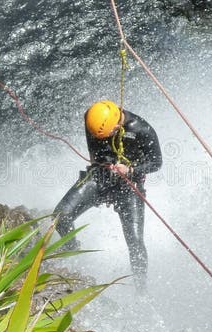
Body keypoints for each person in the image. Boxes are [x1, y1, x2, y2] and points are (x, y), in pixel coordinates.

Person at [54, 100, 162, 287]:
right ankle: (71, 253)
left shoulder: (142, 130)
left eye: (108, 134)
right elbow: (94, 148)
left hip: (130, 184)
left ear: (117, 124)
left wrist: (129, 170)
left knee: (135, 243)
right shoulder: (91, 119)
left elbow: (156, 163)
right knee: (60, 216)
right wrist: (100, 164)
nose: (103, 137)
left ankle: (140, 289)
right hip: (101, 175)